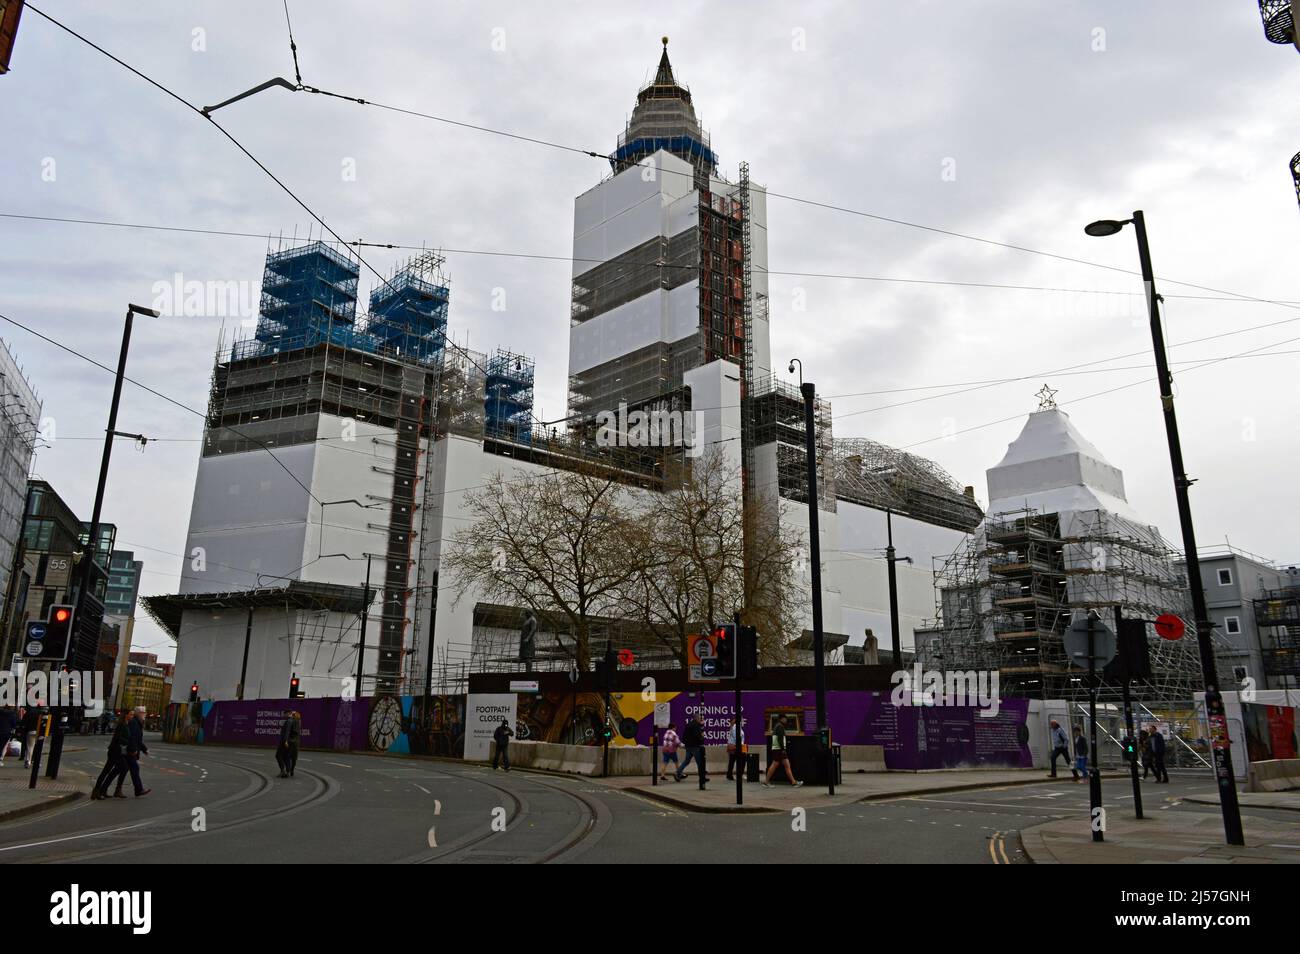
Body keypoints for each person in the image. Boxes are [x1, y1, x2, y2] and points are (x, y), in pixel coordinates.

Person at [92, 712, 132, 799]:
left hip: (118, 751)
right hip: (115, 751)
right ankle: (97, 790)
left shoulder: (126, 724)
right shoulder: (122, 725)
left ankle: (101, 790)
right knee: (110, 770)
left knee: (115, 769)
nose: (132, 716)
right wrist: (128, 742)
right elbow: (118, 737)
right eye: (130, 714)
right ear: (126, 715)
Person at [762, 715, 802, 787]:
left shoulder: (777, 726)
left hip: (777, 748)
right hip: (779, 749)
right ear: (781, 719)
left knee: (786, 765)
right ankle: (766, 782)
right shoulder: (780, 726)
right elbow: (780, 739)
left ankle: (793, 782)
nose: (786, 720)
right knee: (775, 765)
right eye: (785, 719)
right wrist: (783, 749)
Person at [675, 714, 708, 789]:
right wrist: (701, 736)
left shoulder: (689, 724)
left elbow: (684, 736)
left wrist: (686, 744)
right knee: (700, 762)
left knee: (687, 760)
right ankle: (702, 778)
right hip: (695, 746)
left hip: (688, 746)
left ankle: (678, 772)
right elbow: (697, 735)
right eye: (700, 718)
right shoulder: (696, 725)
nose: (700, 719)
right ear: (696, 718)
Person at [276, 710, 301, 777]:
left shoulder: (289, 721)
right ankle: (289, 771)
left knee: (279, 755)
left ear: (288, 714)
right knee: (289, 757)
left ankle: (283, 771)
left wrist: (286, 740)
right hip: (295, 742)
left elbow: (287, 731)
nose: (284, 715)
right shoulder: (297, 722)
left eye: (285, 714)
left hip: (287, 741)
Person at [725, 716, 746, 782]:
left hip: (737, 745)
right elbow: (737, 737)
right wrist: (740, 747)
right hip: (736, 746)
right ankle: (740, 774)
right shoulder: (735, 727)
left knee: (732, 760)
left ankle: (729, 775)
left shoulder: (737, 727)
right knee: (743, 759)